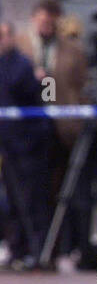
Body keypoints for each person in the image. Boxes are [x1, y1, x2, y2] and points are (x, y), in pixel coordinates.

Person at [16, 0, 86, 261]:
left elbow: (81, 86)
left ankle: (62, 248)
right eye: (42, 19)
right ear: (34, 18)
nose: (47, 25)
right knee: (32, 190)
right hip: (29, 129)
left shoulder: (72, 49)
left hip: (62, 127)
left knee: (64, 190)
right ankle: (31, 247)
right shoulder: (21, 45)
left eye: (51, 20)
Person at [0, 21, 53, 270]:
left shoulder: (21, 65)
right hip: (9, 145)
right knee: (13, 200)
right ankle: (17, 249)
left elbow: (34, 94)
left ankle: (38, 250)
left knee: (32, 200)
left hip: (28, 144)